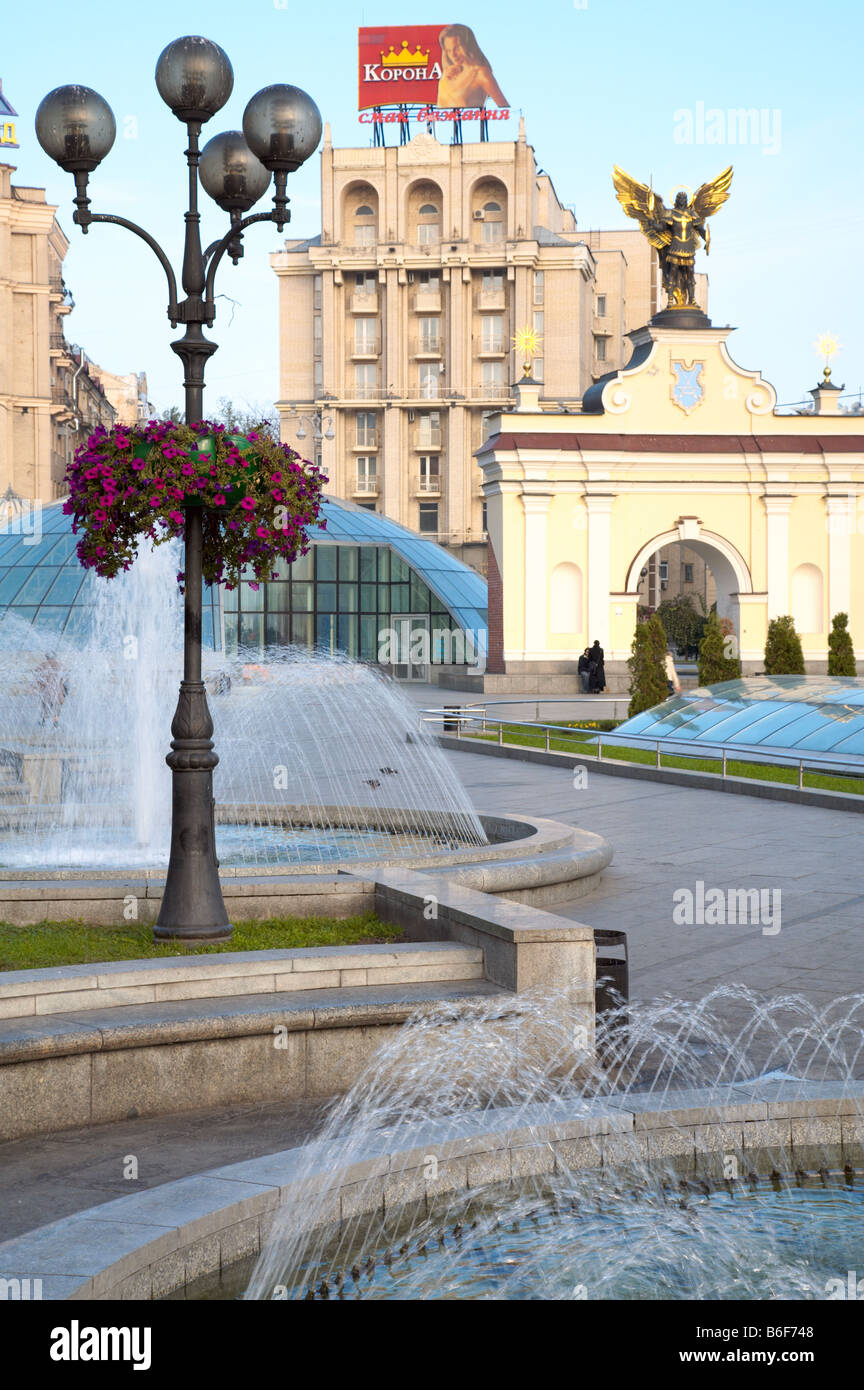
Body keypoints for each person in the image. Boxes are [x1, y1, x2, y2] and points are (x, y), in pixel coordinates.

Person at [436, 25, 509, 110]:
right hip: (443, 121)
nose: (453, 55)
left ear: (468, 46)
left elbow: (504, 107)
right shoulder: (448, 73)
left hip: (470, 121)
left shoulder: (480, 73)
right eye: (448, 50)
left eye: (457, 48)